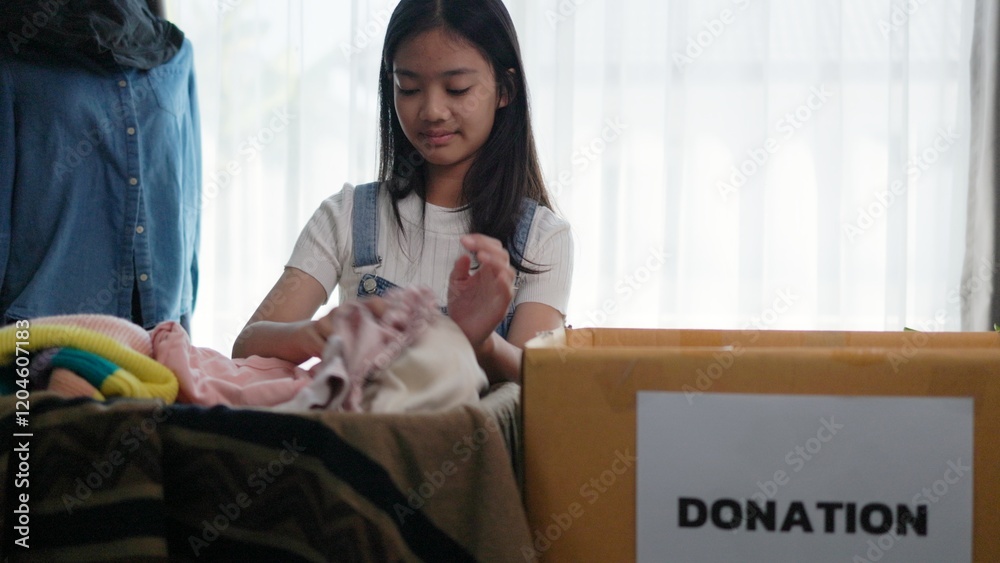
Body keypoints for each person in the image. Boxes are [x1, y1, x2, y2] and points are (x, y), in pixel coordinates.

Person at [233, 0, 573, 384]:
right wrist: (317, 334)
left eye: (457, 89)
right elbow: (248, 344)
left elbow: (538, 382)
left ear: (505, 89)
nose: (431, 110)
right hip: (361, 443)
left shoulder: (542, 239)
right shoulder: (346, 216)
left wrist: (480, 342)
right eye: (408, 88)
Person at [0, 0, 201, 331]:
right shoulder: (16, 55)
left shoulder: (177, 57)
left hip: (160, 324)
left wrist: (184, 310)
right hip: (40, 328)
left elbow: (189, 199)